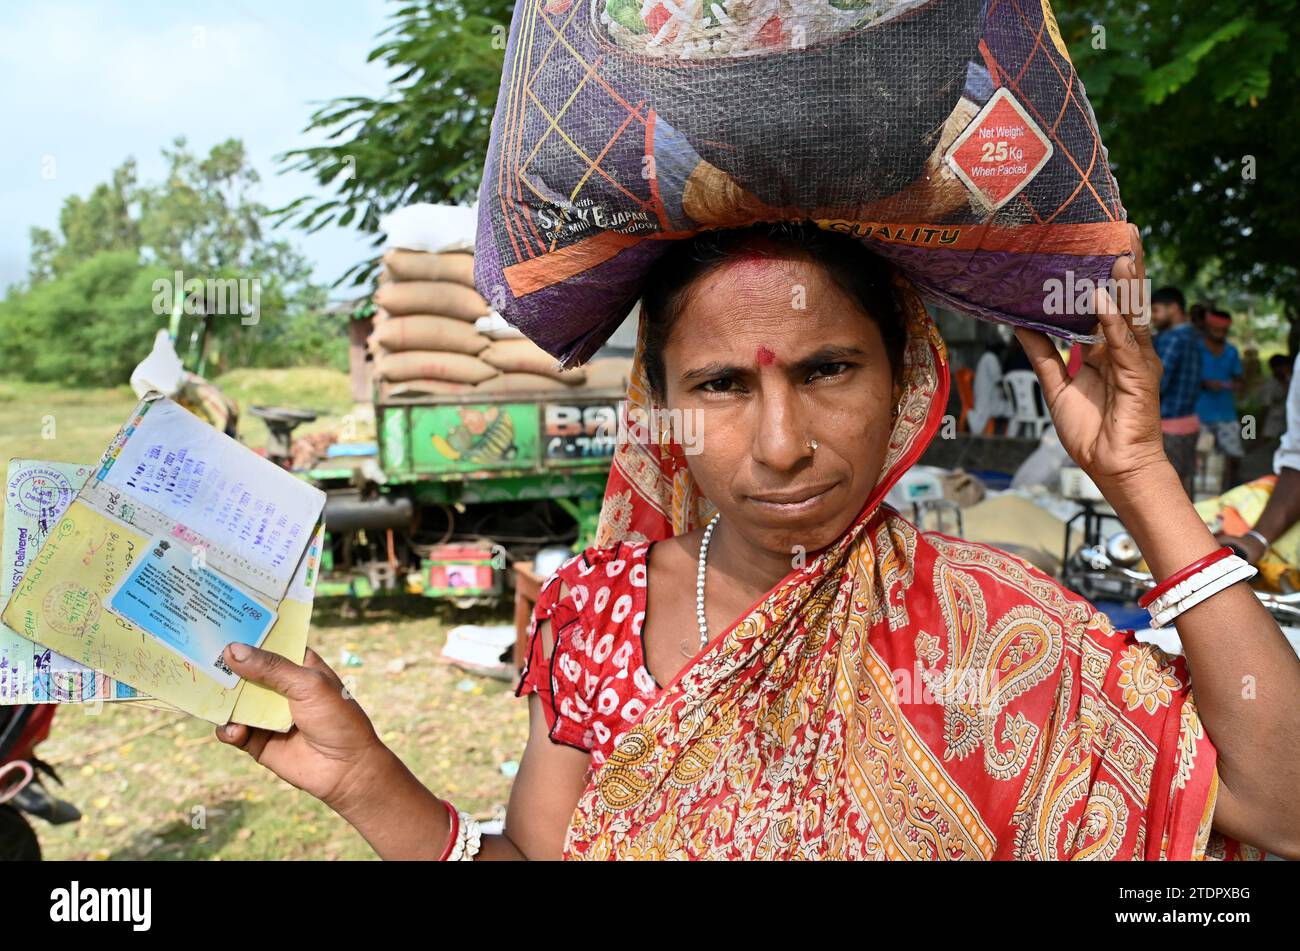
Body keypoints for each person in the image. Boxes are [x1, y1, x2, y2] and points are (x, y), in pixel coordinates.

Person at [215, 223, 1300, 860]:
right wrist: (367, 784)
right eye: (722, 385)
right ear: (662, 408)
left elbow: (1279, 807)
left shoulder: (996, 622)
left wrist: (1141, 480)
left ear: (906, 379)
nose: (781, 446)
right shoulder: (596, 611)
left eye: (828, 370)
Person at [1213, 352, 1300, 588]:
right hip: (1270, 436)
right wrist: (1252, 436)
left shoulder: (1285, 380)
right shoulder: (1271, 386)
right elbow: (1296, 456)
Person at [1150, 286, 1201, 496]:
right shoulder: (1193, 336)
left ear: (1173, 308)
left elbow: (1157, 383)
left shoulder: (1172, 338)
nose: (1152, 317)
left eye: (1155, 310)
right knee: (1180, 486)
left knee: (1165, 491)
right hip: (1187, 423)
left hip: (1169, 425)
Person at [1196, 308, 1245, 494]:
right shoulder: (1196, 349)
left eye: (1223, 330)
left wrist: (1236, 385)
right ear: (1208, 327)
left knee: (1232, 458)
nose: (1219, 334)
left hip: (1226, 413)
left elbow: (1239, 379)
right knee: (1198, 461)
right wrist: (1204, 383)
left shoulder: (1232, 352)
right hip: (1198, 413)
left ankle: (1227, 494)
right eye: (1215, 329)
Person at [966, 346, 1010, 435]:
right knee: (1014, 411)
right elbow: (998, 379)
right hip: (987, 402)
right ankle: (1010, 437)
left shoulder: (985, 358)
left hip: (984, 399)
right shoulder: (990, 358)